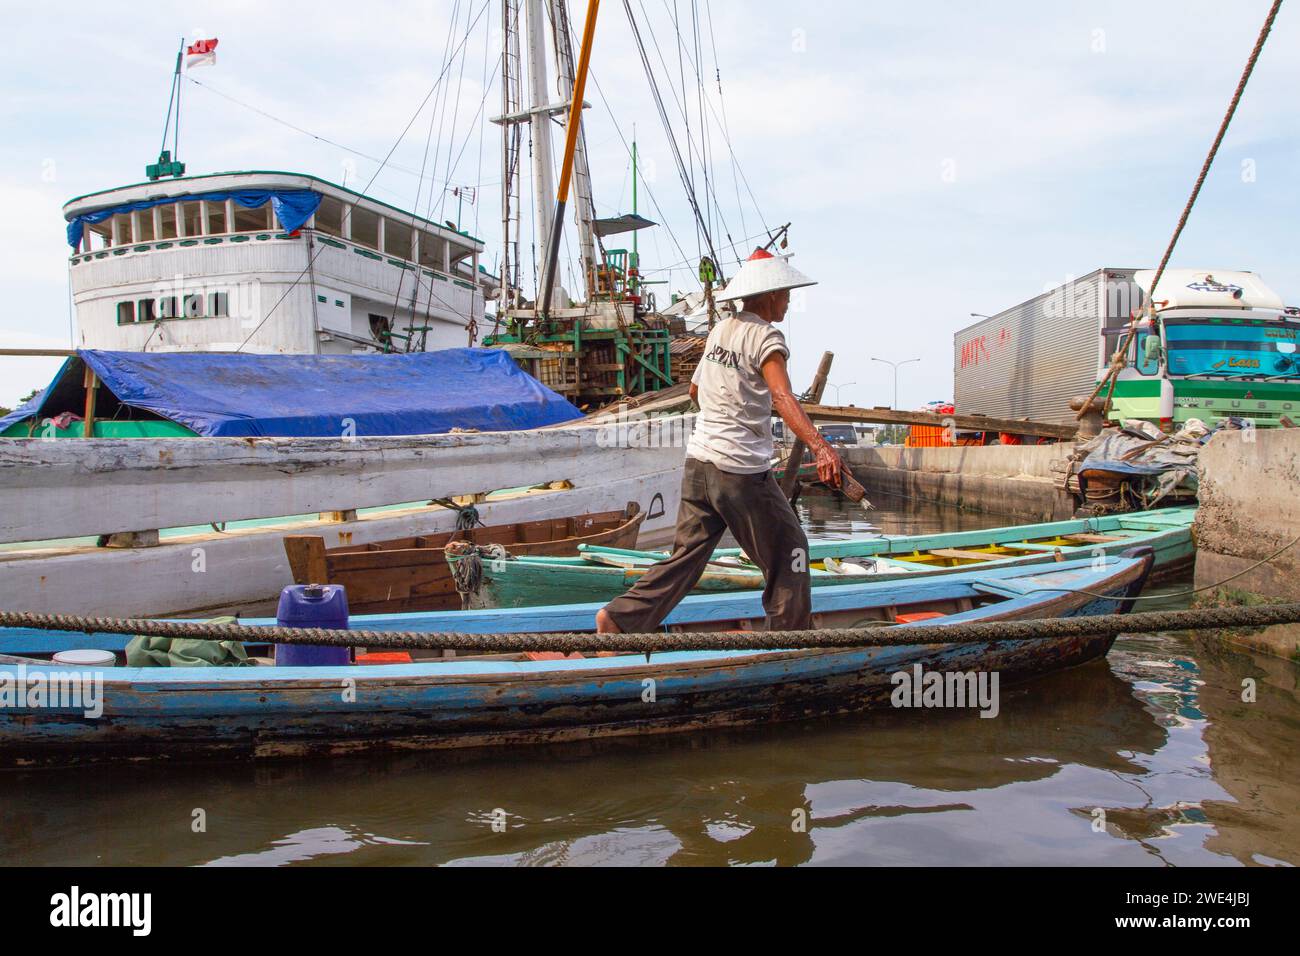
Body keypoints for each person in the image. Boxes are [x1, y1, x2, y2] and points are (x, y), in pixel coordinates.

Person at [595, 248, 843, 634]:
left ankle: (620, 618)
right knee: (790, 550)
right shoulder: (766, 336)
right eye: (786, 294)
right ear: (770, 295)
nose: (790, 301)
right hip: (739, 471)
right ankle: (791, 640)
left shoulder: (720, 330)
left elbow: (696, 389)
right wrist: (820, 446)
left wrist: (733, 400)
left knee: (686, 557)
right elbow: (782, 397)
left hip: (699, 464)